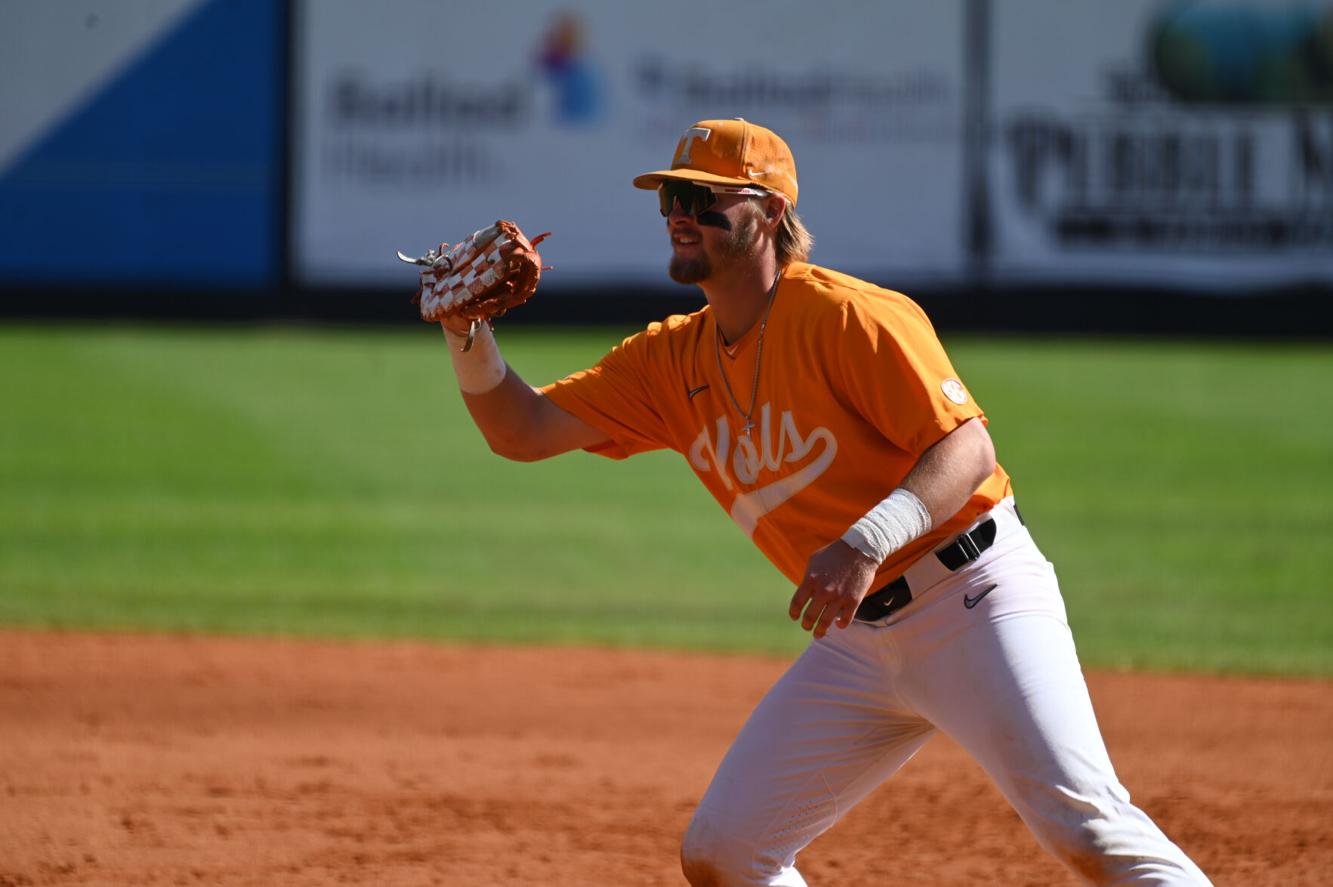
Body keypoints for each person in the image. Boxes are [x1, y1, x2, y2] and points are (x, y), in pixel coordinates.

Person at [436, 118, 1212, 886]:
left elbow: (967, 447)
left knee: (1087, 830)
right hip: (858, 640)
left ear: (769, 213)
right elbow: (522, 428)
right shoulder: (669, 360)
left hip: (974, 598)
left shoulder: (845, 315)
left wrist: (869, 537)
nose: (680, 213)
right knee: (726, 852)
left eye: (705, 199)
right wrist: (467, 333)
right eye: (671, 195)